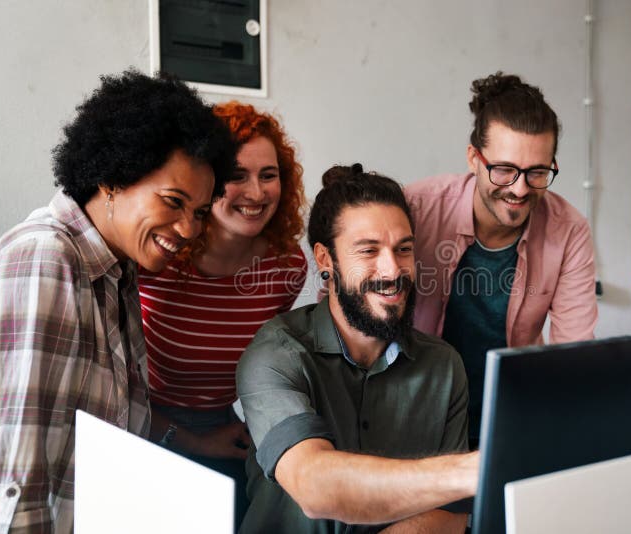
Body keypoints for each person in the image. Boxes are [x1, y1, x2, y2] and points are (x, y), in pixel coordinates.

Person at [0, 69, 237, 534]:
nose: (189, 229)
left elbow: (122, 426)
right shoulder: (48, 258)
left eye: (199, 212)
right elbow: (12, 487)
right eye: (172, 201)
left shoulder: (117, 272)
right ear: (112, 178)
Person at [236, 164, 478, 533]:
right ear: (325, 259)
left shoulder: (444, 366)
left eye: (404, 249)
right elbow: (315, 485)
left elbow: (450, 515)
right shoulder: (275, 354)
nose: (392, 270)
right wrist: (473, 470)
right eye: (369, 250)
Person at [138, 102, 307, 531]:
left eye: (268, 175)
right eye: (237, 176)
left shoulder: (286, 267)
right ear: (206, 182)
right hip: (139, 426)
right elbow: (115, 387)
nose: (256, 192)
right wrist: (192, 441)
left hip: (227, 434)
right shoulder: (156, 258)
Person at [405, 71, 598, 446]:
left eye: (537, 172)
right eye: (505, 170)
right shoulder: (415, 209)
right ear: (474, 158)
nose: (520, 189)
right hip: (413, 422)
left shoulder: (568, 230)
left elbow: (574, 359)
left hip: (506, 421)